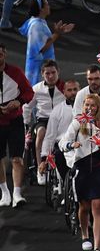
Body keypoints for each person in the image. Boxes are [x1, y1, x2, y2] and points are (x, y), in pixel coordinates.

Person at [59, 94, 100, 251]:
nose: (89, 108)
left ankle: (97, 246)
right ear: (83, 107)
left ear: (98, 108)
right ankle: (85, 236)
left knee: (98, 205)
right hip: (82, 168)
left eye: (93, 105)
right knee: (84, 206)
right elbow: (63, 143)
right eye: (86, 105)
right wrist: (70, 145)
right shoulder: (78, 122)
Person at [0, 43, 34, 207]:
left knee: (17, 159)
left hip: (15, 120)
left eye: (1, 53)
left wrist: (18, 102)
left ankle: (17, 193)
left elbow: (29, 92)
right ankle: (4, 193)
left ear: (5, 54)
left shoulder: (15, 72)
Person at [21, 59, 64, 185]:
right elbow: (27, 107)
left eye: (53, 73)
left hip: (60, 120)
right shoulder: (36, 89)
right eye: (47, 74)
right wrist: (26, 125)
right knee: (41, 133)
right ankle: (41, 169)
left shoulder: (65, 87)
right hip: (43, 120)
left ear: (58, 72)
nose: (50, 76)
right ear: (42, 74)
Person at [19, 0, 74, 85]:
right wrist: (57, 33)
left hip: (40, 67)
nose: (49, 6)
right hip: (39, 68)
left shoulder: (37, 21)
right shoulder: (37, 26)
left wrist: (58, 32)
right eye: (47, 4)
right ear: (41, 9)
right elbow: (42, 48)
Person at [40, 79, 78, 188]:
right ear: (64, 92)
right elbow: (50, 136)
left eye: (75, 89)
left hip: (80, 145)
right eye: (69, 90)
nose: (73, 93)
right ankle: (67, 185)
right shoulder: (57, 110)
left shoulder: (87, 108)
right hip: (62, 147)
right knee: (59, 156)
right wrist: (44, 159)